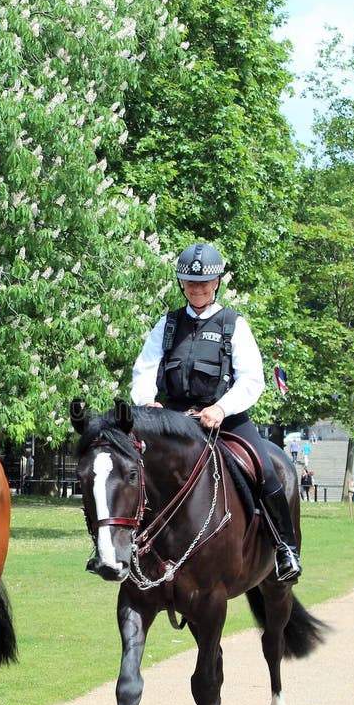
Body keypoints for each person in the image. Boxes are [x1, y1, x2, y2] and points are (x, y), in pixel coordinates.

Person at [131, 242, 302, 582]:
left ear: (216, 283)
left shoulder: (233, 325)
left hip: (226, 420)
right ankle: (127, 547)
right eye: (190, 283)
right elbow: (144, 371)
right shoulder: (166, 326)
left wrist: (222, 407)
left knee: (267, 471)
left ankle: (285, 548)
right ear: (182, 284)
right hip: (175, 422)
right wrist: (146, 402)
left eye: (204, 283)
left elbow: (252, 380)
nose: (197, 289)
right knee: (130, 469)